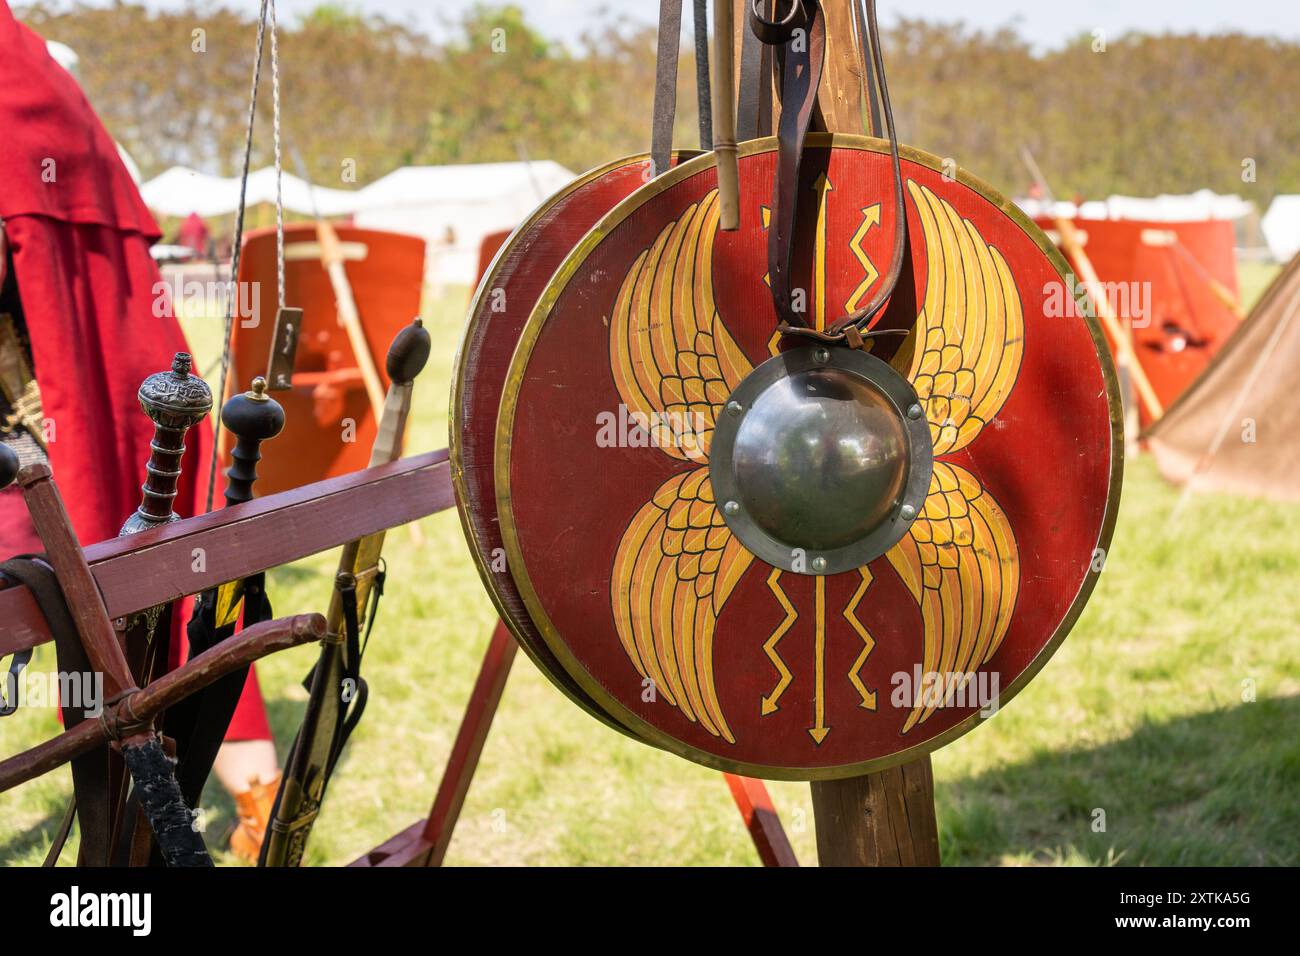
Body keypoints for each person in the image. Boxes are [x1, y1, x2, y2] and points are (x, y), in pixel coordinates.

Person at [0, 3, 279, 862]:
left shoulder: (22, 90)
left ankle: (239, 785)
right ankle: (233, 782)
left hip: (79, 389)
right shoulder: (33, 79)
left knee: (155, 590)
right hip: (73, 378)